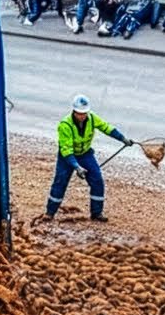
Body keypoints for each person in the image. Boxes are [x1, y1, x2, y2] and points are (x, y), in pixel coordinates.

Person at [45, 94, 133, 222]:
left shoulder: (92, 118)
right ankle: (50, 212)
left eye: (85, 113)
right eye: (80, 113)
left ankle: (96, 213)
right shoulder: (65, 125)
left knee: (97, 180)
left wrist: (122, 139)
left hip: (86, 154)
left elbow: (106, 127)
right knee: (60, 182)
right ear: (74, 111)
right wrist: (76, 167)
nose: (82, 116)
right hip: (67, 157)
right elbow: (66, 149)